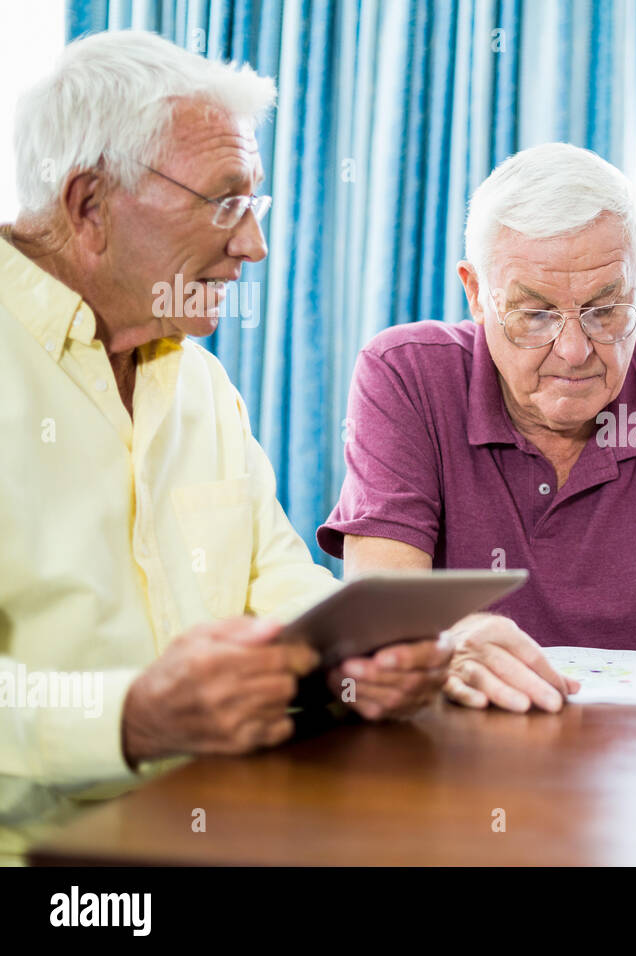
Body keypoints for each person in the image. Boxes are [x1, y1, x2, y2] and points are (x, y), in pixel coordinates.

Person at [0, 31, 447, 862]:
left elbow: (279, 588)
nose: (254, 247)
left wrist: (363, 662)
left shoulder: (200, 385)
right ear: (89, 205)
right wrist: (130, 716)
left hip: (228, 826)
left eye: (257, 205)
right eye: (223, 202)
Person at [319, 143, 636, 713]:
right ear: (476, 293)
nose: (574, 352)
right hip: (454, 742)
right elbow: (382, 594)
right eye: (535, 314)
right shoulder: (406, 374)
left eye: (605, 310)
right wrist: (454, 638)